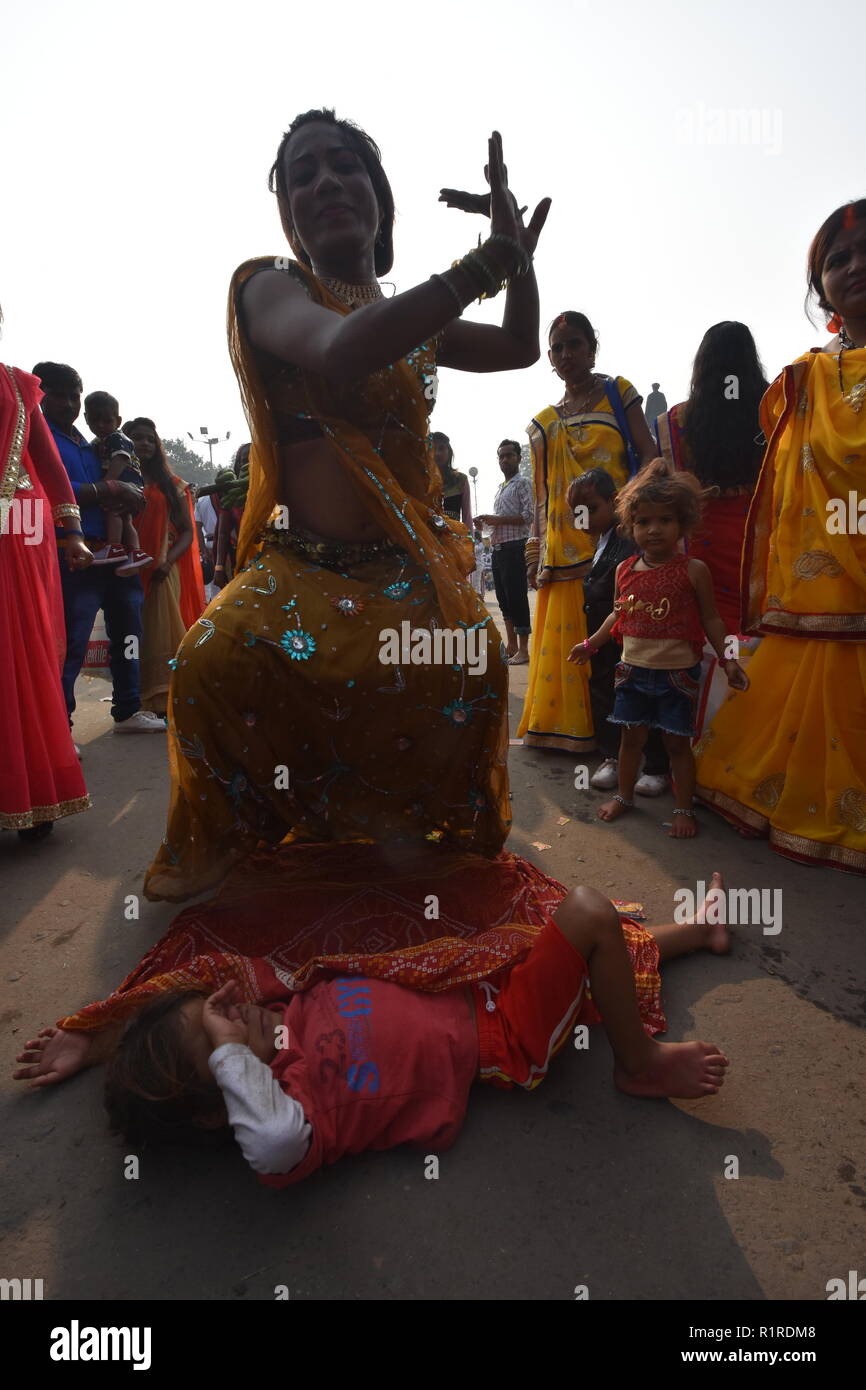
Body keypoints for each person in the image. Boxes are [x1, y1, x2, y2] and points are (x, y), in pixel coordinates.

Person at [143, 111, 550, 902]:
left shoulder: (419, 317)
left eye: (344, 165)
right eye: (303, 174)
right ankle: (266, 836)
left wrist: (517, 256)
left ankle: (415, 841)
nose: (324, 180)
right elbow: (340, 348)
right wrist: (480, 267)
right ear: (288, 216)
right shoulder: (269, 286)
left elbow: (520, 346)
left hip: (404, 568)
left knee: (468, 658)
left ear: (380, 199)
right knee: (206, 665)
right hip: (299, 565)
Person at [14, 871, 732, 1185]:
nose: (233, 1017)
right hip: (503, 1037)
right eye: (218, 1039)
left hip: (467, 983)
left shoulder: (284, 1011)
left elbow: (203, 963)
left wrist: (97, 1034)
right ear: (219, 1110)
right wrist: (237, 1054)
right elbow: (269, 1140)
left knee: (560, 939)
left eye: (220, 1012)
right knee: (585, 915)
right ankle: (637, 1064)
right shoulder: (292, 1121)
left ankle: (697, 932)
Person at [695, 200, 866, 874]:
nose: (856, 267)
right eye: (838, 260)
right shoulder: (803, 378)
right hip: (820, 582)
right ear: (819, 285)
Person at [572, 460, 749, 838]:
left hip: (676, 677)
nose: (653, 530)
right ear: (631, 525)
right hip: (631, 672)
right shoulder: (625, 570)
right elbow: (616, 618)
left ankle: (684, 808)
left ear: (682, 524)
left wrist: (729, 660)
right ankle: (624, 796)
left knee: (677, 745)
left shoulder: (694, 570)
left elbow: (713, 621)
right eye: (644, 522)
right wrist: (590, 645)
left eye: (664, 521)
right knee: (629, 740)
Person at [518, 312, 657, 751]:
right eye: (557, 348)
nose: (566, 354)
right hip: (563, 551)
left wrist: (647, 524)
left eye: (574, 344)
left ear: (592, 348)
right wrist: (536, 548)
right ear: (550, 359)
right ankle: (573, 732)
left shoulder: (618, 393)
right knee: (581, 649)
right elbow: (543, 496)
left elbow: (650, 456)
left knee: (621, 647)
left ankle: (635, 744)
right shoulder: (544, 422)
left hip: (617, 545)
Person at [32, 362, 164, 736]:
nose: (70, 403)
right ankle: (60, 726)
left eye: (75, 395)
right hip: (72, 553)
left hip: (117, 555)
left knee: (129, 636)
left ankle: (128, 708)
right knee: (71, 642)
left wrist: (132, 496)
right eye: (60, 395)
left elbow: (125, 485)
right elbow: (46, 488)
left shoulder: (94, 445)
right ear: (40, 396)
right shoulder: (38, 439)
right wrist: (110, 491)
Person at [654, 324, 768, 737]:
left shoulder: (679, 419)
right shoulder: (769, 408)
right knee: (750, 626)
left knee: (705, 623)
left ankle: (695, 738)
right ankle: (748, 736)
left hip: (701, 533)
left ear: (701, 365)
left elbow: (673, 484)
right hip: (757, 532)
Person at [0, 340, 93, 841]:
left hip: (16, 537)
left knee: (20, 655)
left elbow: (49, 465)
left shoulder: (17, 385)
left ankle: (35, 792)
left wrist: (72, 532)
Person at [567, 468, 669, 794]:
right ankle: (611, 757)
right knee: (605, 696)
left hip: (635, 641)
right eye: (577, 513)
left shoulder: (633, 542)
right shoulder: (603, 542)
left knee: (645, 698)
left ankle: (656, 765)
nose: (583, 518)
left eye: (591, 508)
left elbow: (625, 604)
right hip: (605, 643)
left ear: (613, 502)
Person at [124, 418, 205, 717]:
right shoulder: (119, 478)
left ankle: (163, 697)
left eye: (149, 438)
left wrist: (167, 561)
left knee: (160, 631)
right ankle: (132, 700)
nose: (143, 443)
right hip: (126, 569)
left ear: (157, 446)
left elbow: (186, 530)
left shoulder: (172, 486)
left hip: (160, 570)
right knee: (131, 633)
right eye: (136, 437)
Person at [475, 438, 533, 664]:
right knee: (503, 599)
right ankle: (511, 645)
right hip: (499, 549)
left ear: (518, 457)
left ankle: (524, 649)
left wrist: (496, 520)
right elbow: (499, 524)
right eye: (501, 456)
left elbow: (528, 516)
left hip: (515, 547)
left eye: (509, 455)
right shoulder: (501, 489)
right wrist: (485, 525)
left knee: (517, 597)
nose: (505, 460)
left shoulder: (523, 483)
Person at [83, 392, 152, 574]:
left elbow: (120, 459)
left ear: (118, 421)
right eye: (95, 420)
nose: (100, 425)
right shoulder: (98, 441)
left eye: (106, 420)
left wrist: (106, 483)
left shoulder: (116, 438)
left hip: (124, 482)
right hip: (132, 485)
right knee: (125, 516)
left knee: (113, 511)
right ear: (86, 418)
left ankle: (114, 546)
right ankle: (135, 551)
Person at [212, 444, 250, 591]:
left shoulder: (273, 490)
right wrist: (219, 568)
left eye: (253, 459)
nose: (248, 464)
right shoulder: (231, 496)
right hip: (240, 560)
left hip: (272, 559)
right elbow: (222, 533)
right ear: (238, 465)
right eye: (243, 460)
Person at [430, 431, 472, 528]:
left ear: (449, 452)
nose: (437, 453)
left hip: (454, 538)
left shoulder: (461, 479)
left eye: (441, 448)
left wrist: (471, 542)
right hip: (428, 536)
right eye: (433, 449)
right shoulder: (425, 479)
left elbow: (467, 517)